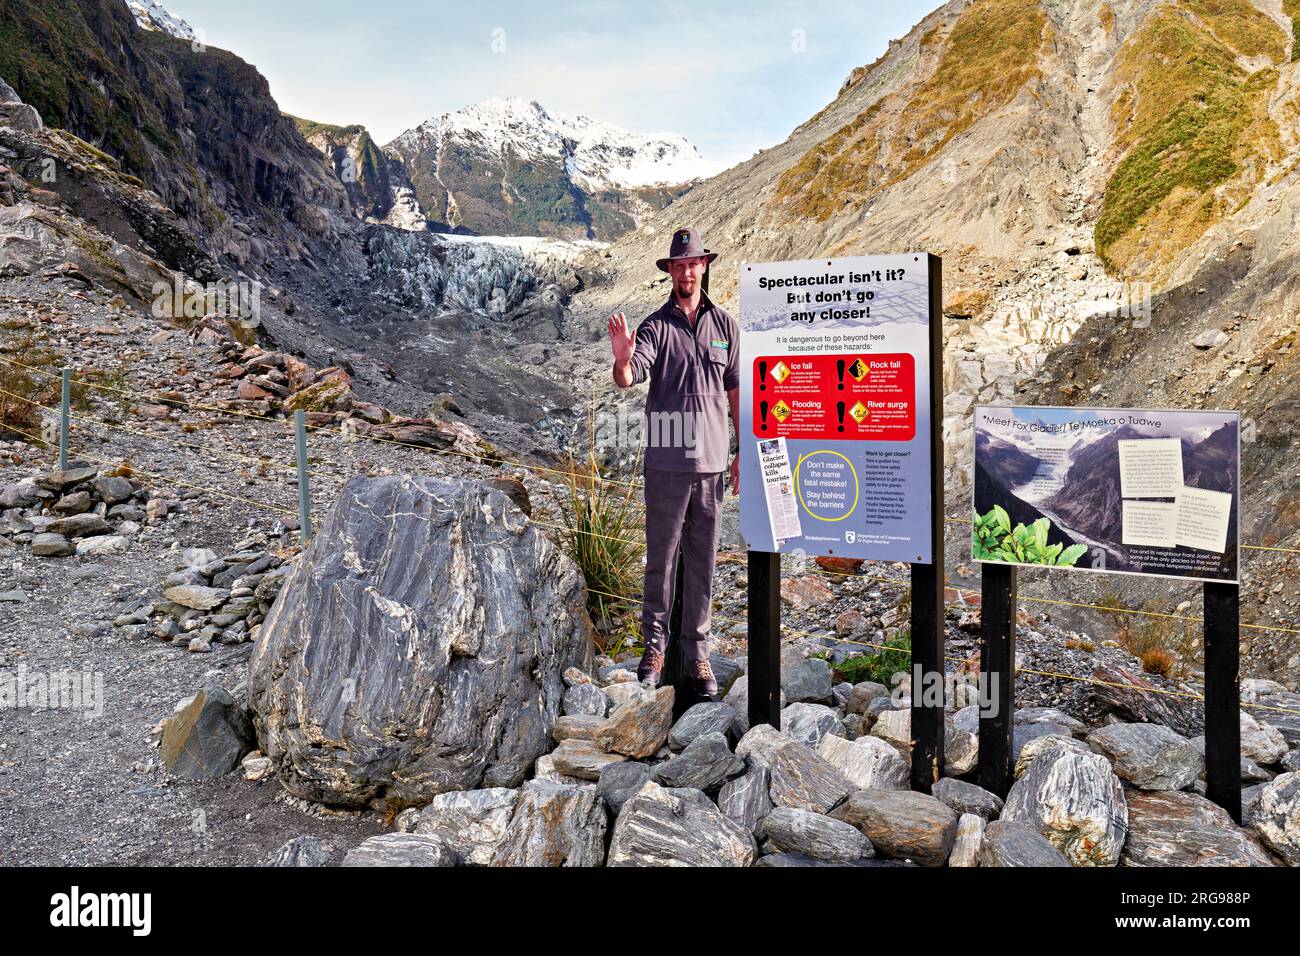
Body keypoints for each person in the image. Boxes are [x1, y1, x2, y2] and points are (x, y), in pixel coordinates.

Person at [608, 227, 740, 703]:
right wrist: (622, 361)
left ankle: (698, 655)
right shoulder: (654, 327)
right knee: (661, 561)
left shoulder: (725, 325)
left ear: (704, 266)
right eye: (679, 265)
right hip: (666, 460)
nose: (687, 271)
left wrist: (742, 448)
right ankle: (654, 652)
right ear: (670, 271)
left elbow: (736, 392)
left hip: (710, 463)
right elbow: (629, 375)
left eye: (693, 263)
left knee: (702, 563)